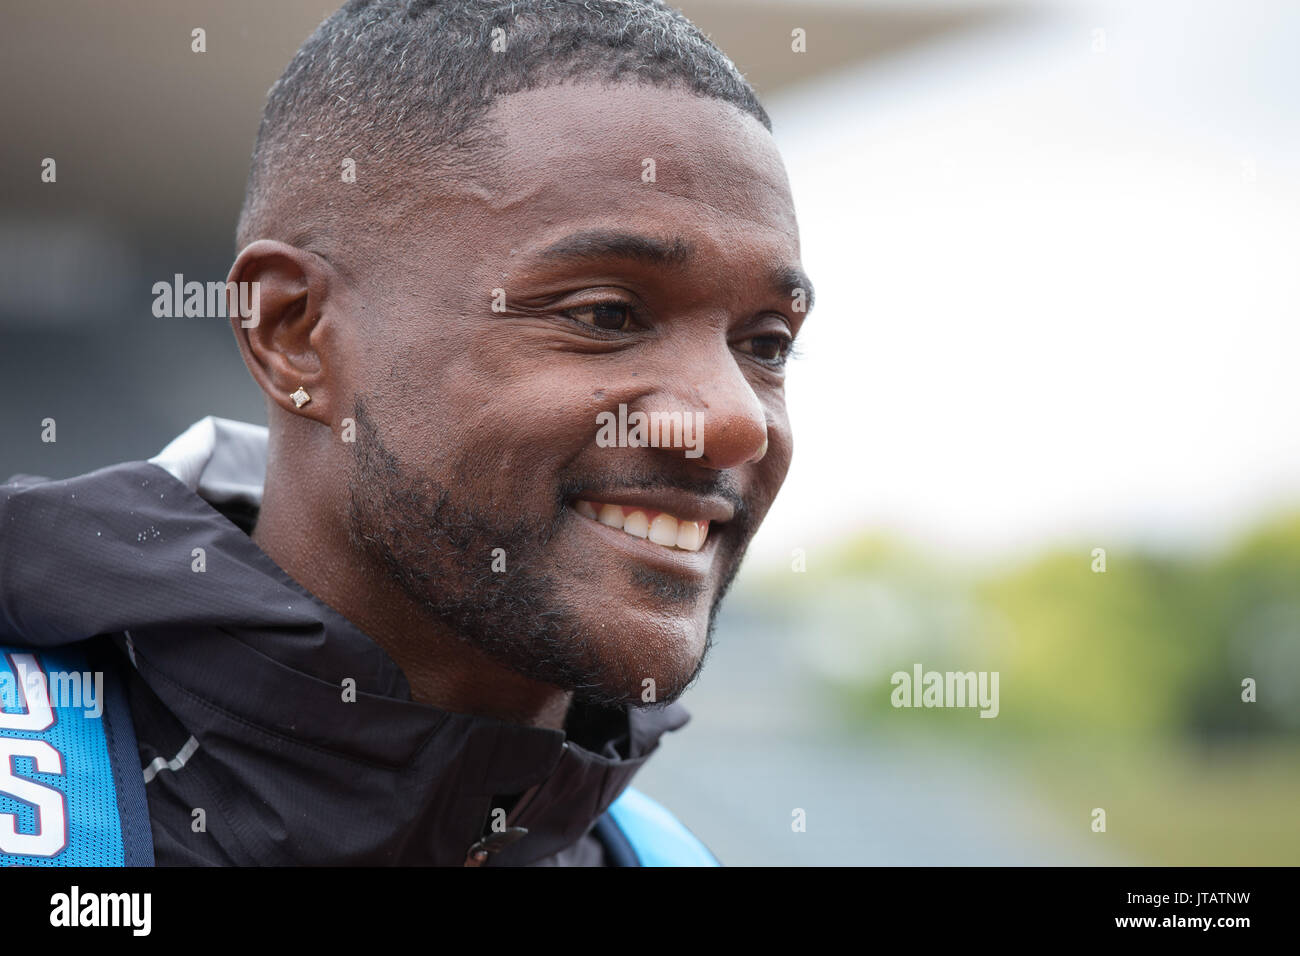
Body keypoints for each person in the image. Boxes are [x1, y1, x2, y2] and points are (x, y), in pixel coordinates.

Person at [0, 0, 813, 866]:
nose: (732, 421)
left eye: (764, 344)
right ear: (294, 333)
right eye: (607, 314)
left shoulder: (662, 854)